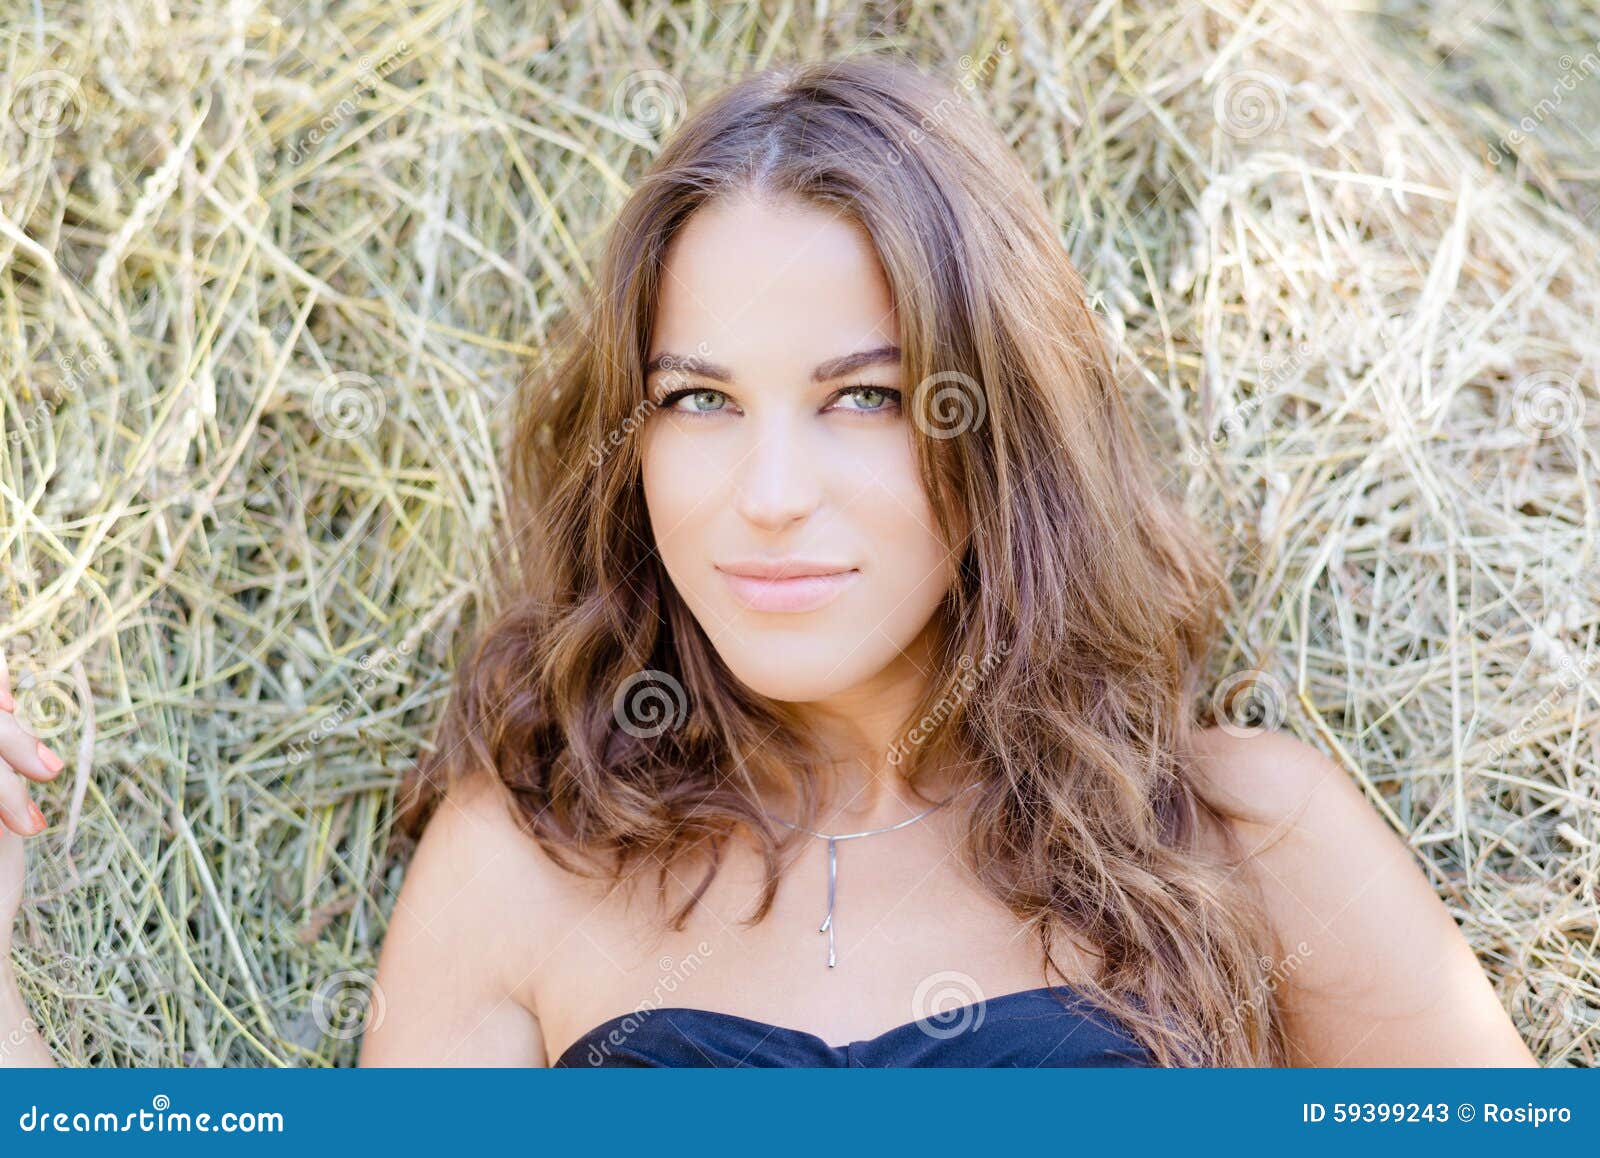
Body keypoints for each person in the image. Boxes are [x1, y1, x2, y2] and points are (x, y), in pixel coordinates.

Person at [1, 55, 1538, 1068]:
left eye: (864, 395)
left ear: (997, 424)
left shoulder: (1240, 836)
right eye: (700, 402)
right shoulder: (526, 865)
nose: (769, 495)